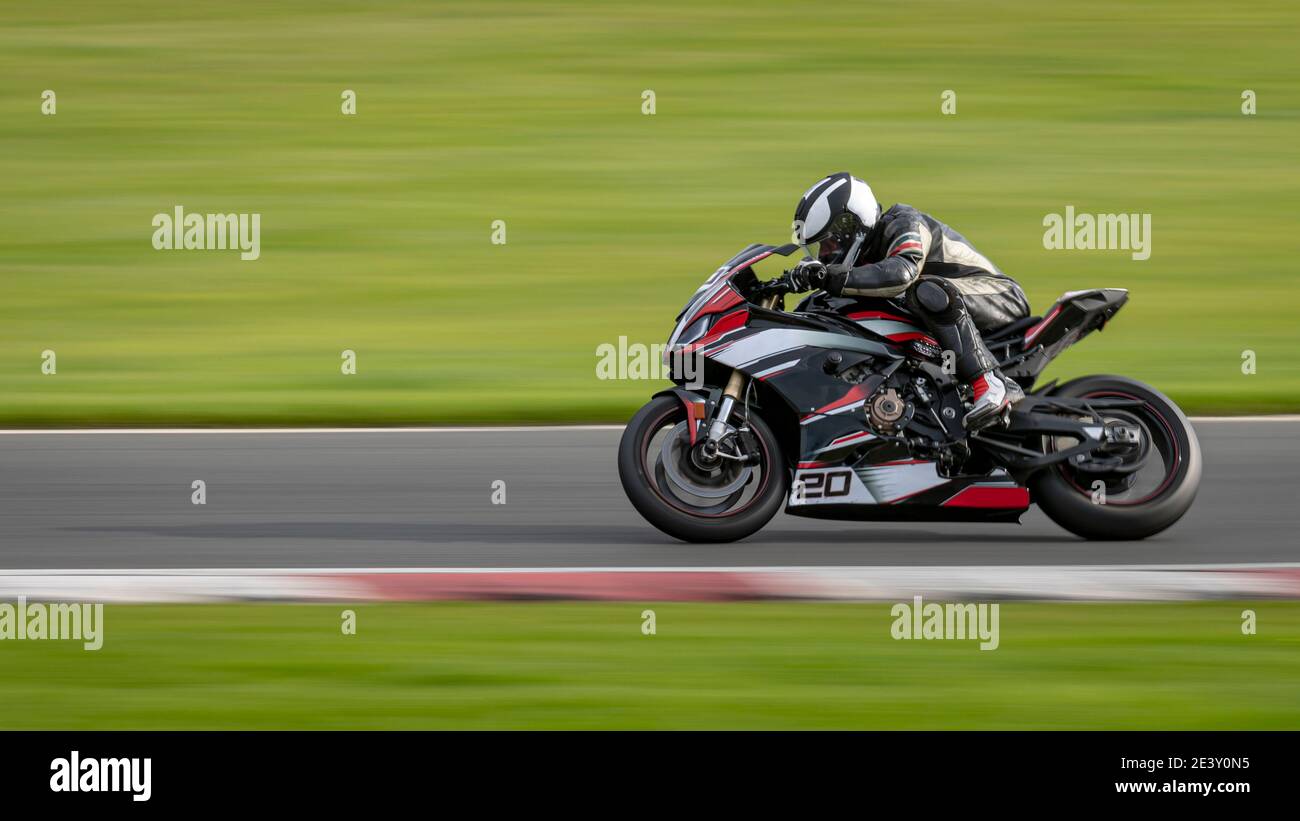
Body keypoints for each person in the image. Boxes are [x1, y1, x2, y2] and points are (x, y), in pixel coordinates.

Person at [788, 172, 1031, 430]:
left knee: (926, 290)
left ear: (852, 227)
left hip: (999, 296)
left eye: (828, 243)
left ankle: (991, 382)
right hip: (954, 314)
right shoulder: (863, 259)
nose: (824, 255)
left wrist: (830, 278)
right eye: (817, 250)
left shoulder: (903, 222)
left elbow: (902, 273)